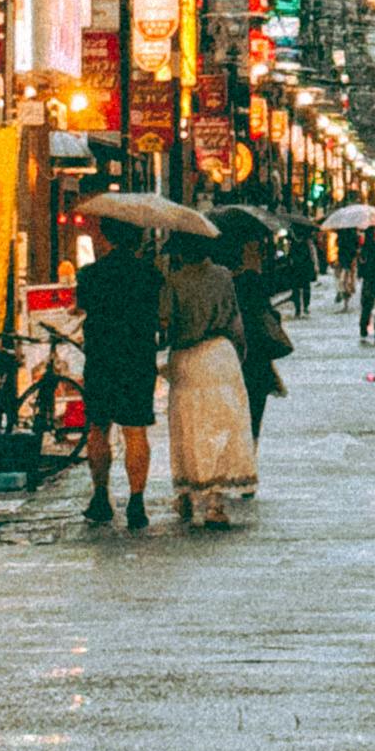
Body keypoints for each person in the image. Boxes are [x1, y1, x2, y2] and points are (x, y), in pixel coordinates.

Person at [162, 228, 259, 525]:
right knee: (222, 426)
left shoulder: (173, 282)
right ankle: (215, 503)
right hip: (222, 356)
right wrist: (238, 354)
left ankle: (186, 494)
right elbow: (235, 320)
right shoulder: (223, 276)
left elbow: (166, 325)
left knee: (188, 427)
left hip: (188, 359)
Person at [76, 210, 162, 530]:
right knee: (135, 430)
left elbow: (82, 306)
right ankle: (137, 502)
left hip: (101, 357)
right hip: (138, 358)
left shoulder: (90, 275)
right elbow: (157, 315)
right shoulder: (149, 275)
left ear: (106, 236)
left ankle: (101, 496)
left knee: (99, 427)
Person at [216, 209, 294, 444]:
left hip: (228, 356)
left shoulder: (221, 279)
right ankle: (247, 458)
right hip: (254, 358)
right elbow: (268, 317)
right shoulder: (251, 281)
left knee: (231, 413)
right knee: (252, 414)